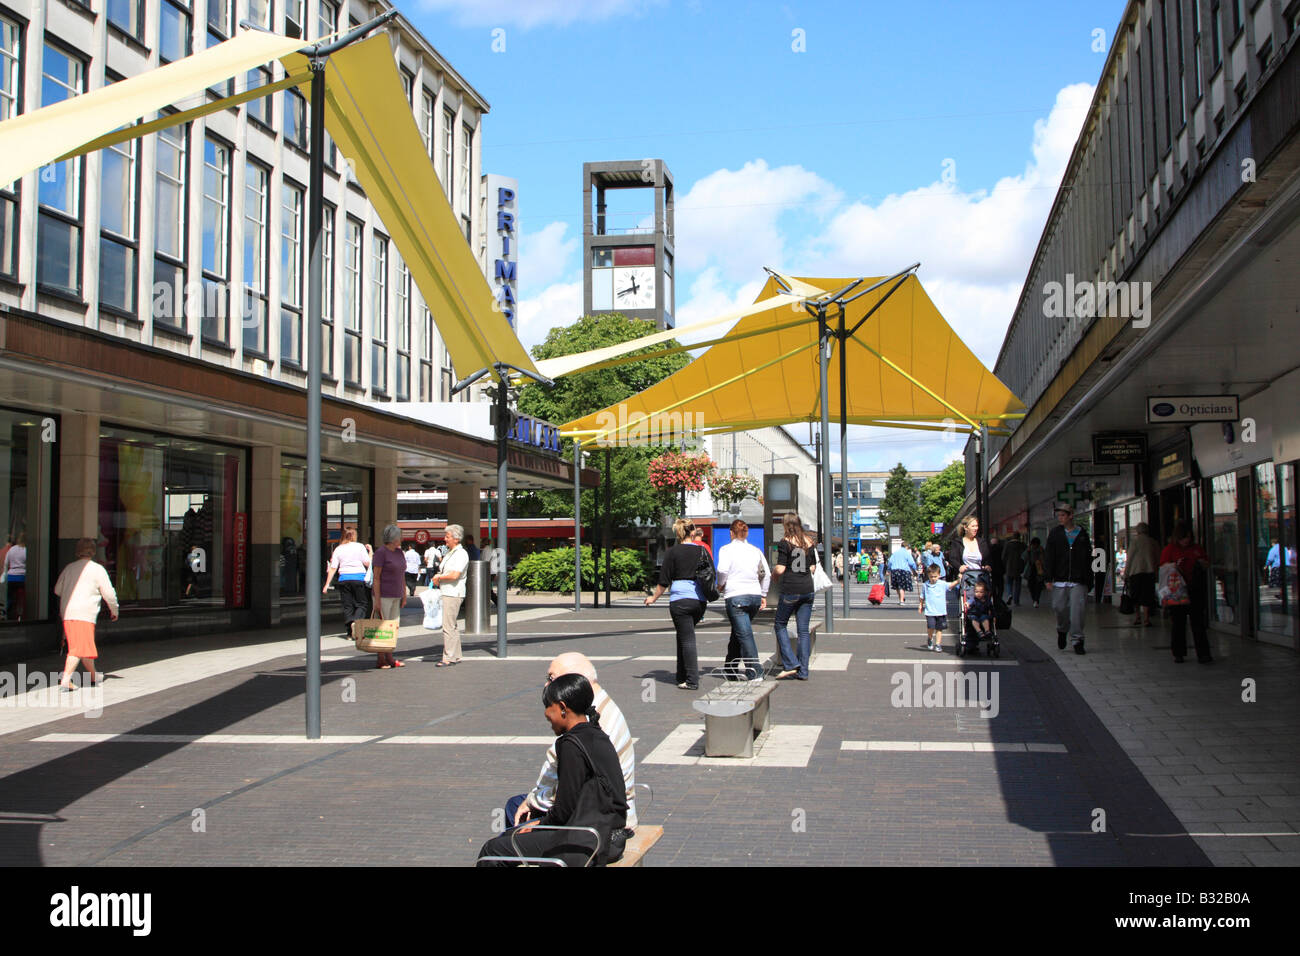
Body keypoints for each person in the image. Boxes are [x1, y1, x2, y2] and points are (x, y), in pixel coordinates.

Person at [477, 674, 628, 867]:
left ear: (563, 708)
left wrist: (538, 825)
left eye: (548, 706)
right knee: (512, 834)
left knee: (493, 850)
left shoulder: (570, 744)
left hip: (588, 841)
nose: (546, 714)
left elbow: (564, 809)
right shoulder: (596, 733)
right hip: (611, 835)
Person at [506, 653, 638, 836]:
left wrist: (531, 802)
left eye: (551, 678)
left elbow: (564, 796)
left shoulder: (580, 728)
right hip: (608, 813)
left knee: (512, 819)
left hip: (598, 822)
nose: (547, 685)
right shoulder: (595, 707)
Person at [644, 518, 710, 690]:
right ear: (693, 532)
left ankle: (692, 680)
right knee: (683, 634)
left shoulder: (673, 552)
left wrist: (653, 598)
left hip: (680, 601)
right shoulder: (702, 551)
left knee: (687, 638)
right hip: (699, 601)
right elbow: (711, 574)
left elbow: (664, 581)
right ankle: (681, 675)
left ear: (679, 533)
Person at [54, 538, 119, 690]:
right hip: (85, 614)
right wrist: (114, 610)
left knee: (82, 646)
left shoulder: (69, 568)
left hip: (68, 613)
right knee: (77, 649)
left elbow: (57, 589)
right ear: (93, 551)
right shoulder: (97, 570)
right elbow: (109, 594)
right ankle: (66, 679)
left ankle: (94, 676)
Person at [716, 519, 770, 681]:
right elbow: (766, 573)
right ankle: (730, 667)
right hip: (754, 594)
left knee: (744, 634)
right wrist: (763, 594)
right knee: (739, 632)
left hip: (735, 595)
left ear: (731, 533)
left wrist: (720, 584)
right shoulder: (755, 550)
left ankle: (755, 671)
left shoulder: (726, 549)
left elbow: (722, 569)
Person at [771, 512, 818, 681]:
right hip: (807, 589)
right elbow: (813, 567)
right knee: (803, 631)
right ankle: (803, 671)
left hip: (791, 589)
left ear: (786, 525)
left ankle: (790, 663)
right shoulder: (809, 542)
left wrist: (773, 575)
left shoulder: (785, 543)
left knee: (780, 624)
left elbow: (781, 568)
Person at [1160, 521, 1214, 664]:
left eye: (1189, 537)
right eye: (1184, 537)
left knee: (1198, 622)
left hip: (1195, 589)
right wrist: (1174, 566)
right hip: (1178, 591)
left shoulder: (1196, 549)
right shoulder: (1170, 549)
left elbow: (1207, 563)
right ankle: (1178, 653)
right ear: (1177, 537)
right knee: (1178, 623)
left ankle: (1203, 653)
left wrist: (1202, 563)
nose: (1186, 540)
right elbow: (1163, 568)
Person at [1044, 502, 1092, 655]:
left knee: (1077, 612)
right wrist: (1048, 578)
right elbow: (1049, 556)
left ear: (1071, 516)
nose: (1060, 518)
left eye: (1063, 515)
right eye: (1059, 516)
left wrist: (1089, 579)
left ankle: (1077, 640)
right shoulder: (1055, 533)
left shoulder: (1082, 534)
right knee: (1059, 608)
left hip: (1078, 580)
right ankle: (1062, 630)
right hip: (1060, 578)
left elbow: (1088, 558)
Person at [429, 523, 469, 667]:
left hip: (453, 592)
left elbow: (454, 575)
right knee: (452, 625)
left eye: (448, 536)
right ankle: (456, 655)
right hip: (447, 591)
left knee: (448, 626)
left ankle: (448, 656)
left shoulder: (461, 554)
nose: (445, 539)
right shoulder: (451, 552)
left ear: (456, 539)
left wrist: (439, 578)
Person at [369, 524, 408, 669]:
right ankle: (381, 658)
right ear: (393, 538)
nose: (402, 538)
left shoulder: (399, 553)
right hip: (384, 595)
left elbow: (402, 574)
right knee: (382, 627)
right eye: (400, 536)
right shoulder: (381, 552)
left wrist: (404, 594)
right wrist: (377, 600)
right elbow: (377, 577)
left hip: (395, 594)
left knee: (393, 627)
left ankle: (390, 655)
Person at [322, 527, 372, 633]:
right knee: (362, 604)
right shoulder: (359, 546)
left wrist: (326, 584)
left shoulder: (338, 548)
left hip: (344, 578)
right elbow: (367, 563)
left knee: (347, 605)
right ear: (354, 536)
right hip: (358, 578)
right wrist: (370, 552)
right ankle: (356, 621)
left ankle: (349, 632)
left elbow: (333, 567)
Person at [1124, 522, 1160, 627]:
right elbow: (1158, 557)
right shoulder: (1152, 542)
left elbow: (1129, 558)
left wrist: (1126, 572)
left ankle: (1137, 617)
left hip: (1135, 572)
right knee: (1147, 595)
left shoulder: (1134, 542)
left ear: (1137, 531)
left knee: (1136, 595)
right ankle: (1147, 618)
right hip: (1149, 572)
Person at [918, 562, 958, 653]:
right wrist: (920, 605)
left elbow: (951, 585)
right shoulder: (925, 585)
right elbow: (922, 596)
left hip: (941, 611)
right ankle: (930, 638)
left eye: (935, 576)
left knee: (939, 629)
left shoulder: (942, 584)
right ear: (928, 575)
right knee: (931, 627)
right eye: (931, 577)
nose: (933, 579)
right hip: (930, 611)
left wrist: (959, 580)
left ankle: (938, 644)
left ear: (939, 575)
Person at [3, 532, 26, 621]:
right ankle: (21, 615)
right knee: (23, 598)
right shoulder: (26, 550)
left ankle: (6, 615)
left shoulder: (12, 549)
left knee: (9, 598)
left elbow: (6, 563)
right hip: (22, 578)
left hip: (11, 577)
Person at [887, 542, 918, 606]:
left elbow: (890, 562)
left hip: (894, 570)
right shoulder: (906, 553)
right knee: (902, 586)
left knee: (897, 586)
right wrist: (915, 569)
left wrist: (888, 569)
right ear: (906, 547)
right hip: (903, 570)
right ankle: (901, 600)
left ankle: (901, 598)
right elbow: (911, 563)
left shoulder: (895, 553)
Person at [1002, 532, 1027, 606]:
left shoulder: (1008, 545)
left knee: (1009, 583)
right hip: (1019, 568)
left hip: (1009, 567)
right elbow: (1025, 556)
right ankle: (1016, 600)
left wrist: (1004, 566)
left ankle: (1010, 594)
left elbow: (1003, 557)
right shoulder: (1022, 545)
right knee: (1018, 584)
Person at [1024, 536, 1046, 607]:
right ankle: (1035, 600)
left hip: (1035, 570)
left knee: (1035, 586)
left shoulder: (1035, 550)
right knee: (1036, 586)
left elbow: (1024, 558)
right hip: (1036, 570)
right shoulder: (1039, 550)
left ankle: (1035, 600)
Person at [989, 535, 1005, 603]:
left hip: (992, 570)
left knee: (993, 585)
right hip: (1000, 570)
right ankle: (999, 598)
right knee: (1000, 586)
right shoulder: (1001, 548)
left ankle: (995, 598)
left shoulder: (989, 549)